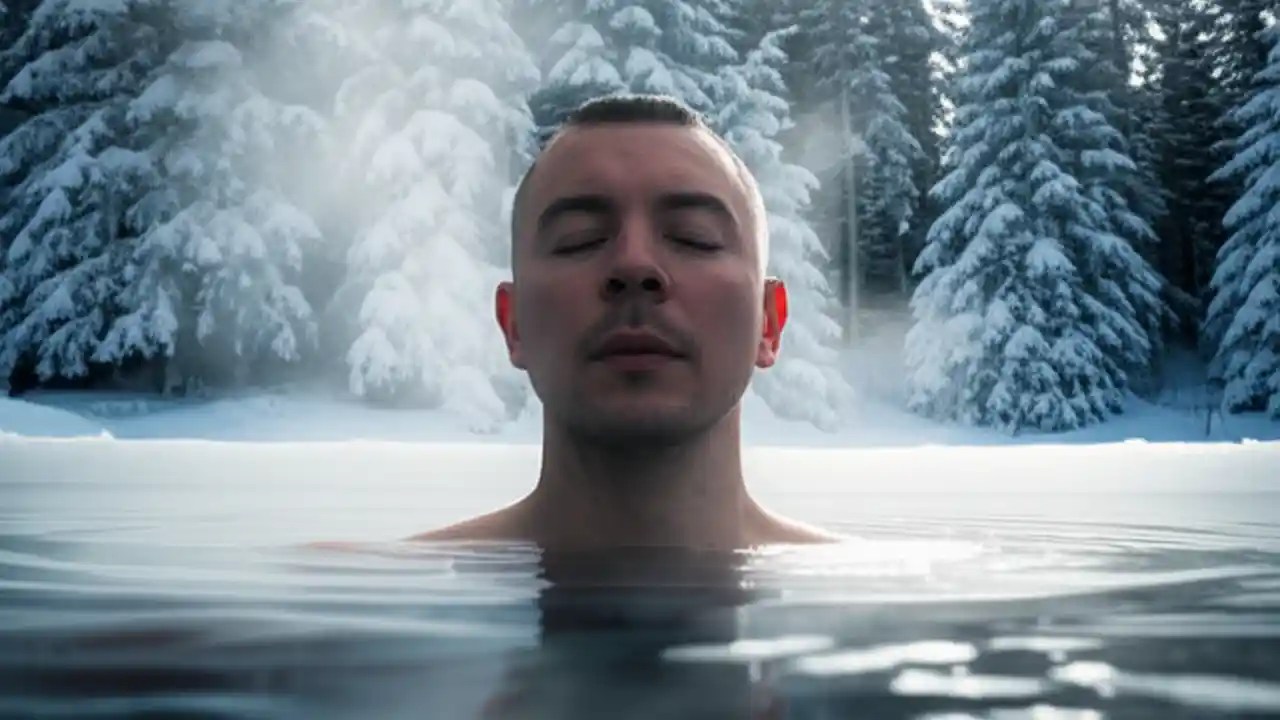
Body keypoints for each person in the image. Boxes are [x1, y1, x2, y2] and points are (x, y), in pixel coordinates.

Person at [413, 93, 843, 551]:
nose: (635, 265)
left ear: (768, 322)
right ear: (513, 324)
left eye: (693, 238)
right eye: (580, 240)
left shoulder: (873, 591)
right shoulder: (379, 590)